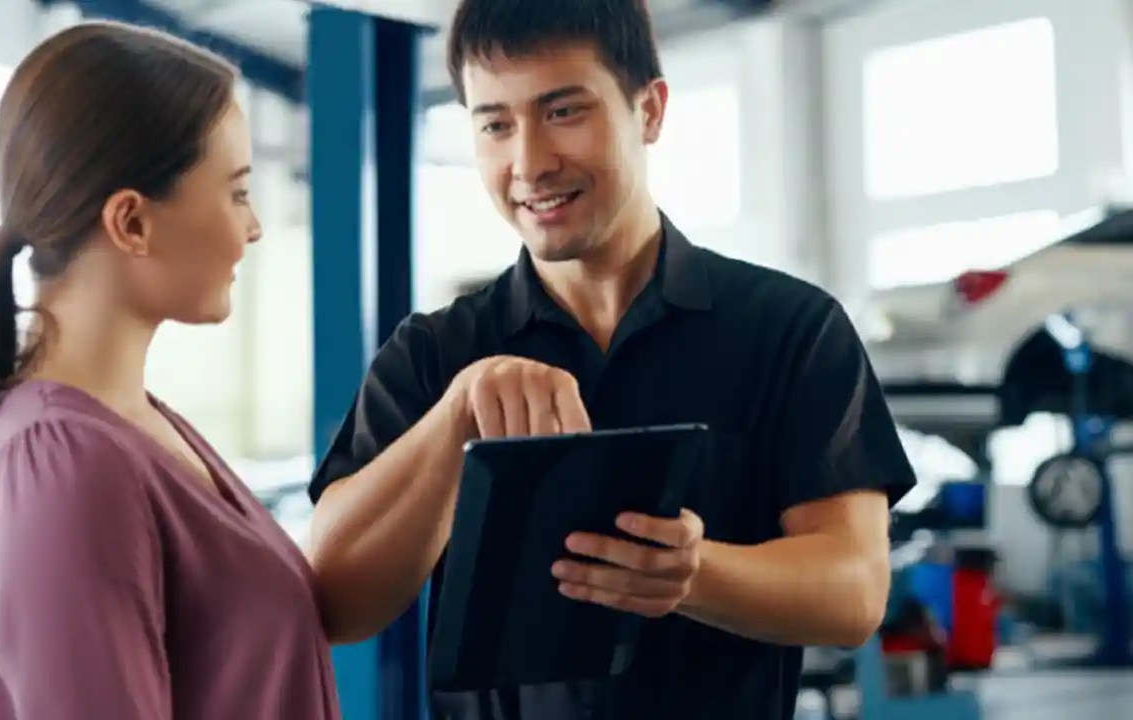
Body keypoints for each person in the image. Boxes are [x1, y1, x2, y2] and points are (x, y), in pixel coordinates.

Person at [305, 0, 916, 718]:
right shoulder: (435, 355)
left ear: (649, 111)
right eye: (496, 125)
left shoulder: (790, 330)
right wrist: (452, 422)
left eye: (564, 111)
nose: (529, 163)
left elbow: (854, 593)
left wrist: (693, 573)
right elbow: (333, 599)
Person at [0, 21, 339, 720]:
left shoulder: (137, 430)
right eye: (237, 193)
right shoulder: (64, 463)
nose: (254, 227)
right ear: (132, 223)